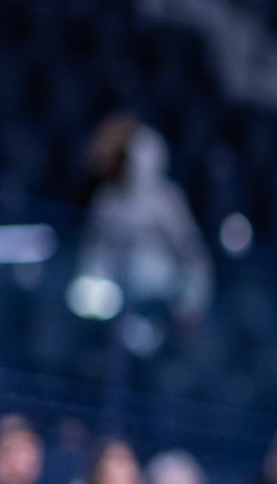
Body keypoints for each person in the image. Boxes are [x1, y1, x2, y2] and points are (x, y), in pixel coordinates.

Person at [77, 115, 212, 337]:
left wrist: (190, 305)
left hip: (161, 306)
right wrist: (92, 303)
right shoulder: (107, 202)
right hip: (116, 305)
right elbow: (94, 254)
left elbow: (192, 256)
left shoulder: (168, 201)